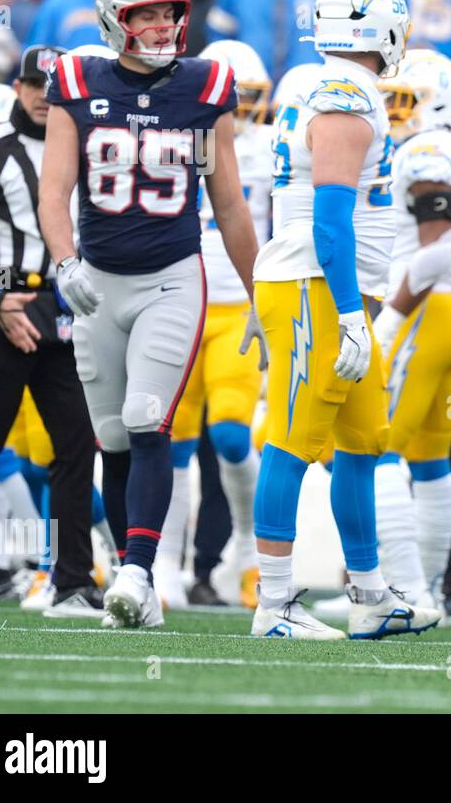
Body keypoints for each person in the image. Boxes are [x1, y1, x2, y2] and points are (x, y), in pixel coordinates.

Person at [36, 0, 260, 629]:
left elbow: (231, 206)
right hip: (97, 280)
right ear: (116, 21)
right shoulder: (77, 80)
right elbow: (56, 189)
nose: (163, 25)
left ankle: (139, 572)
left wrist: (259, 298)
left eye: (169, 12)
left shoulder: (205, 86)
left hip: (170, 274)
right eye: (147, 14)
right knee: (111, 436)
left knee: (146, 415)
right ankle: (137, 577)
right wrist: (64, 261)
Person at [249, 0, 437, 639]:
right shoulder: (343, 93)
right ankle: (273, 606)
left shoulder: (312, 81)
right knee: (293, 441)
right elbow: (329, 218)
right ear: (384, 28)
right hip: (318, 287)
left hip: (322, 285)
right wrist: (353, 312)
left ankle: (369, 594)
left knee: (363, 442)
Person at [0, 45, 100, 616]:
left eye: (54, 83)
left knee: (73, 444)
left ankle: (69, 580)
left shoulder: (87, 146)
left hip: (63, 304)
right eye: (34, 83)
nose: (43, 94)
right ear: (17, 87)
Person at [158, 39, 274, 610]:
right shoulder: (178, 139)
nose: (240, 109)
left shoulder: (276, 148)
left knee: (230, 435)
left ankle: (249, 554)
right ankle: (163, 567)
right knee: (171, 443)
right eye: (234, 97)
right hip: (181, 302)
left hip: (237, 309)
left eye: (249, 97)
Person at [368, 49, 451, 617]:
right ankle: (428, 588)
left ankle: (405, 591)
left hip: (426, 312)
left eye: (402, 99)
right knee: (432, 458)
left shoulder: (425, 150)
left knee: (375, 445)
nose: (391, 111)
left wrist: (390, 318)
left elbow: (441, 248)